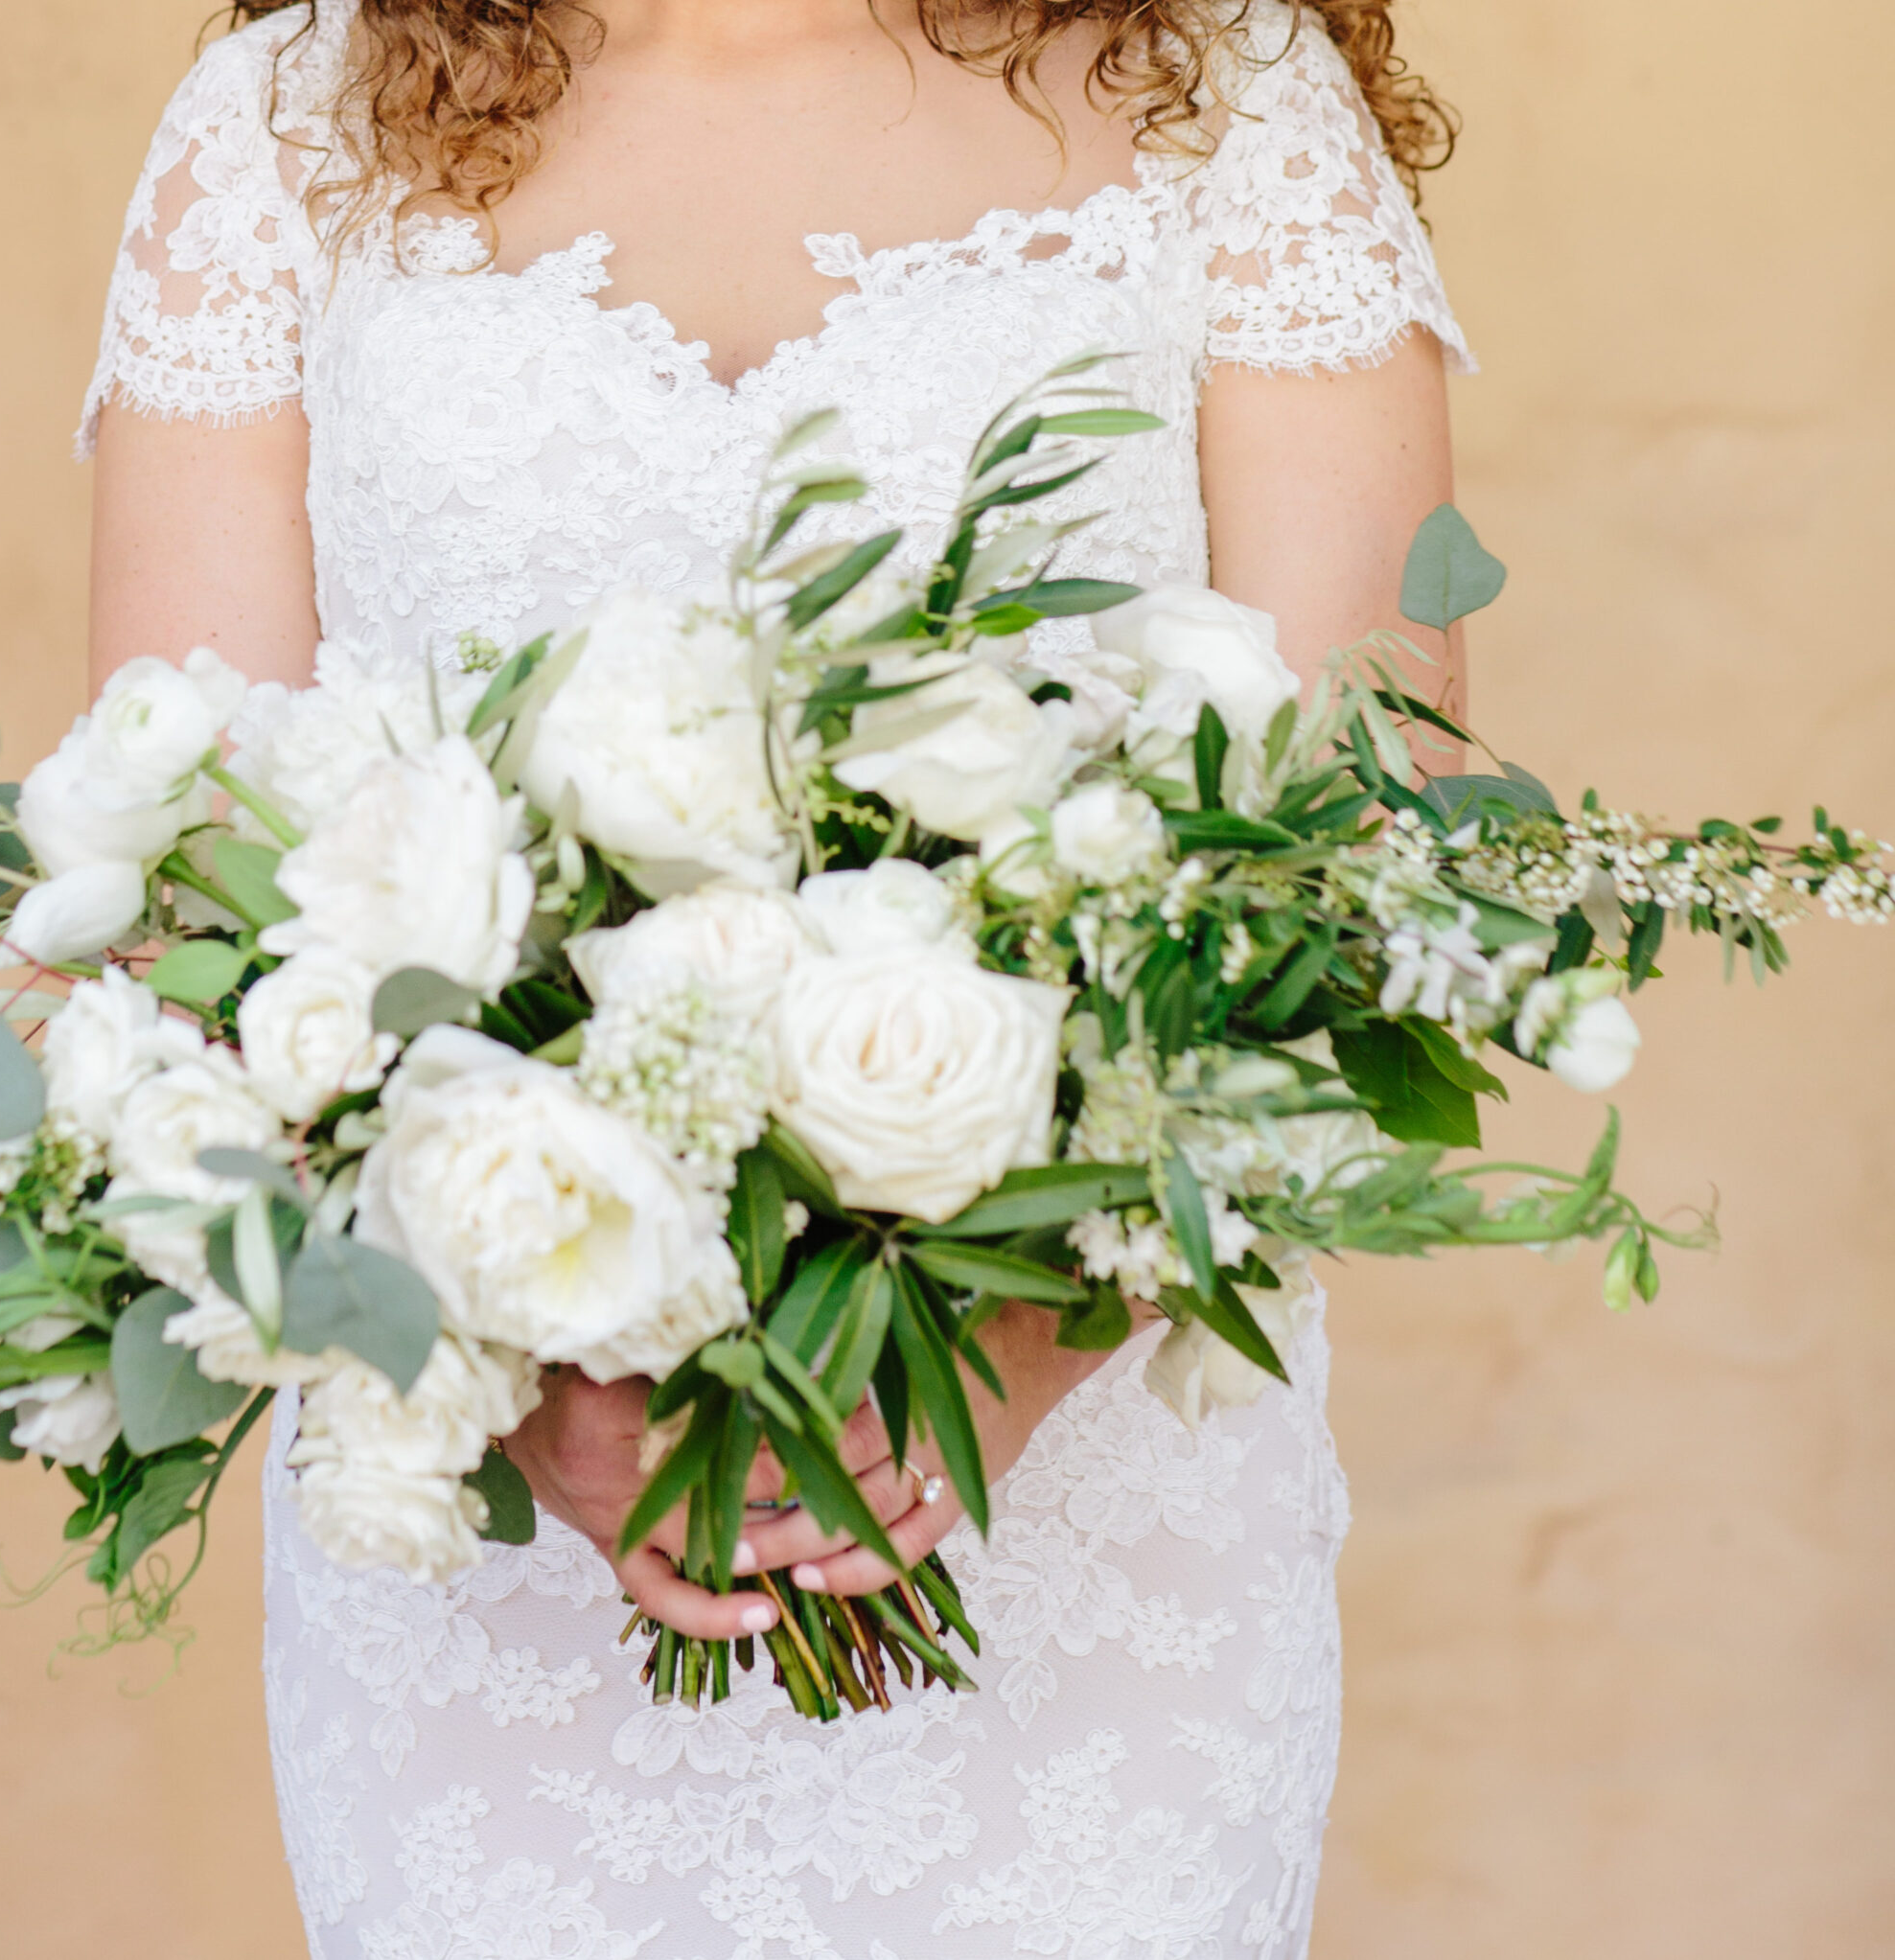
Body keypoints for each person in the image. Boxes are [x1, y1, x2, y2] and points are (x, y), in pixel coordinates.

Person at [82, 2, 1467, 1950]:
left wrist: (1004, 1356)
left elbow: (1367, 834)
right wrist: (517, 1386)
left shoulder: (1222, 96)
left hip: (1082, 1513)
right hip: (496, 1550)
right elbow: (183, 885)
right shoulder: (282, 128)